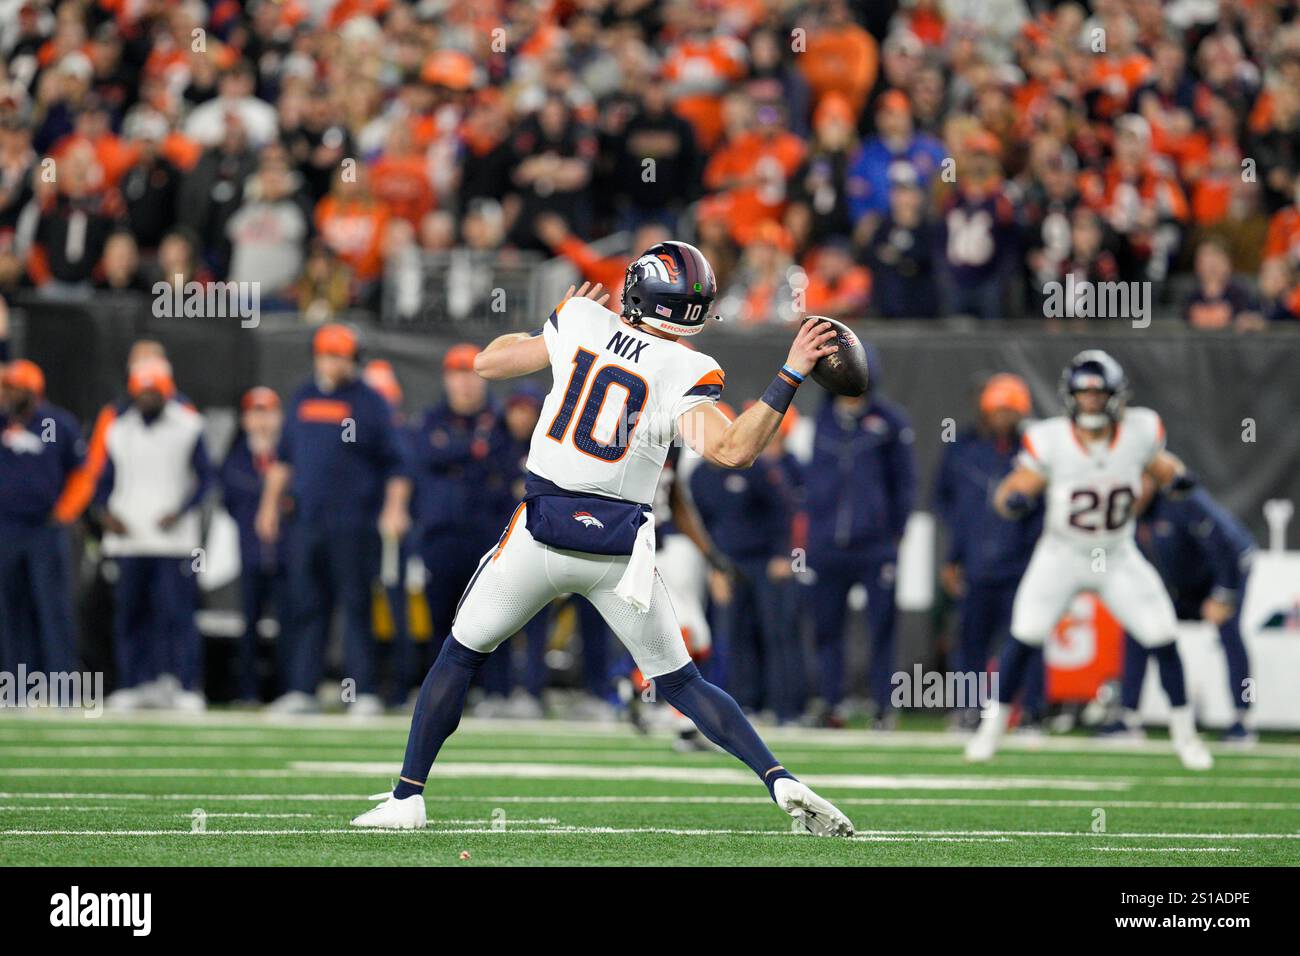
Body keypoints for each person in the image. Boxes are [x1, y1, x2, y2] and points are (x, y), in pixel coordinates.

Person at [353, 242, 854, 836]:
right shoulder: (688, 369)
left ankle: (408, 796)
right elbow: (735, 449)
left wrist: (555, 326)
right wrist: (790, 372)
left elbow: (487, 365)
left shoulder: (582, 321)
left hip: (540, 533)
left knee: (461, 655)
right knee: (683, 683)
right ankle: (779, 778)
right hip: (618, 551)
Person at [966, 350, 1214, 770]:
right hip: (1062, 552)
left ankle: (1186, 737)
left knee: (1162, 634)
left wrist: (1177, 479)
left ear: (1116, 397)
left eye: (1099, 395)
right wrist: (1015, 500)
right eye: (1084, 394)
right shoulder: (1051, 438)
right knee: (1024, 635)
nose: (1091, 402)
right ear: (1070, 397)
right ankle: (990, 731)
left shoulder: (1140, 430)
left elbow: (1161, 465)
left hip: (1117, 553)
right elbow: (1010, 490)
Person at [255, 324, 411, 716]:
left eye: (338, 354)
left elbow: (396, 465)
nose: (331, 361)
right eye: (325, 353)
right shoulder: (304, 397)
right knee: (307, 605)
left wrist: (393, 509)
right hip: (307, 520)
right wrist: (269, 505)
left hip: (354, 522)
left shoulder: (371, 402)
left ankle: (362, 691)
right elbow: (285, 459)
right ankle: (302, 689)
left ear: (352, 357)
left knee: (356, 605)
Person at [803, 345, 916, 727]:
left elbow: (905, 483)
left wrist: (896, 533)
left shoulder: (890, 422)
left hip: (875, 544)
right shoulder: (819, 420)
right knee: (826, 627)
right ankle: (830, 702)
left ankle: (884, 705)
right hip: (826, 542)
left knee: (882, 627)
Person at [95, 357, 212, 711]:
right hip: (129, 539)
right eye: (142, 392)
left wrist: (181, 509)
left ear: (166, 392)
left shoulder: (189, 425)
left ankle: (184, 684)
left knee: (177, 614)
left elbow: (206, 478)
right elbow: (103, 482)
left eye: (154, 391)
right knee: (131, 614)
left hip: (174, 542)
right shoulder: (118, 427)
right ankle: (135, 682)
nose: (147, 398)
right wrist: (106, 514)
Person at [933, 374, 1044, 729]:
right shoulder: (963, 449)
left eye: (1010, 412)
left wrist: (1034, 554)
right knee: (969, 642)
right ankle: (968, 709)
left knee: (1026, 639)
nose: (1003, 419)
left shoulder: (1034, 452)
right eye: (998, 411)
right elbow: (947, 504)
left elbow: (1044, 510)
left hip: (1020, 564)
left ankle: (1028, 710)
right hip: (976, 563)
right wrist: (953, 558)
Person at [1107, 485, 1257, 743]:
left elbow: (1230, 549)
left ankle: (1242, 719)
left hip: (1221, 579)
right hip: (1178, 588)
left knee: (1229, 632)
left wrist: (1224, 593)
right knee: (1138, 628)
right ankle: (1128, 717)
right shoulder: (1126, 510)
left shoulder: (1186, 501)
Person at [0, 359, 84, 679]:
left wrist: (65, 511)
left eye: (13, 388)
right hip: (7, 528)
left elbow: (82, 472)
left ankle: (60, 682)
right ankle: (16, 684)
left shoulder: (55, 424)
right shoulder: (3, 422)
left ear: (32, 391)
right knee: (11, 610)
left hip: (43, 529)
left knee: (52, 607)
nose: (7, 394)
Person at [218, 386, 286, 704]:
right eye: (255, 413)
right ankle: (247, 691)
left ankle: (290, 690)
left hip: (287, 553)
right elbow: (231, 500)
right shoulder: (237, 459)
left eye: (267, 413)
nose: (262, 421)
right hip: (249, 551)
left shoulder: (289, 455)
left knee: (291, 621)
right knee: (249, 623)